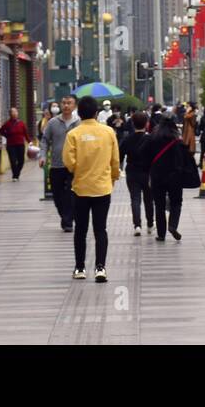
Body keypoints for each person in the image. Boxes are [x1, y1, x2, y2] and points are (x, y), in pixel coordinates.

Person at [62, 95, 120, 282]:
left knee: (81, 229)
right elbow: (115, 160)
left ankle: (80, 268)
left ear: (79, 112)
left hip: (80, 188)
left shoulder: (73, 135)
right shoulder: (109, 132)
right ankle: (100, 268)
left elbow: (68, 162)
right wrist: (113, 177)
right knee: (100, 229)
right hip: (102, 188)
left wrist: (79, 170)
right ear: (96, 112)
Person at [41, 95, 79, 231]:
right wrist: (43, 156)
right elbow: (45, 140)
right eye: (63, 103)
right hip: (56, 165)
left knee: (70, 194)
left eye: (69, 103)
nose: (66, 106)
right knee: (57, 196)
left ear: (74, 106)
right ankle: (65, 216)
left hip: (74, 166)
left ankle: (68, 221)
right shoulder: (53, 123)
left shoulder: (79, 123)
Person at [146, 115, 185, 242]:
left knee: (159, 205)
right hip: (175, 176)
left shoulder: (153, 138)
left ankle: (161, 234)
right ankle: (173, 225)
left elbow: (144, 154)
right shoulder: (177, 140)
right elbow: (183, 160)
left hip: (157, 176)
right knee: (176, 202)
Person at [121, 112, 155, 236]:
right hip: (147, 172)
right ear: (146, 124)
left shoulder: (128, 139)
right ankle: (150, 224)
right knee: (149, 200)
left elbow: (120, 154)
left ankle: (137, 225)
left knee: (135, 199)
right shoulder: (150, 139)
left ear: (132, 123)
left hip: (132, 172)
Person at [0, 107, 30, 180]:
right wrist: (7, 136)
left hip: (20, 144)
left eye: (16, 112)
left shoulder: (21, 123)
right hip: (11, 145)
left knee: (21, 161)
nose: (15, 113)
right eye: (13, 112)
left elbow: (26, 134)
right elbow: (1, 131)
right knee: (13, 161)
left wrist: (29, 142)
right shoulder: (7, 124)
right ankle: (15, 176)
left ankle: (17, 173)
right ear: (10, 114)